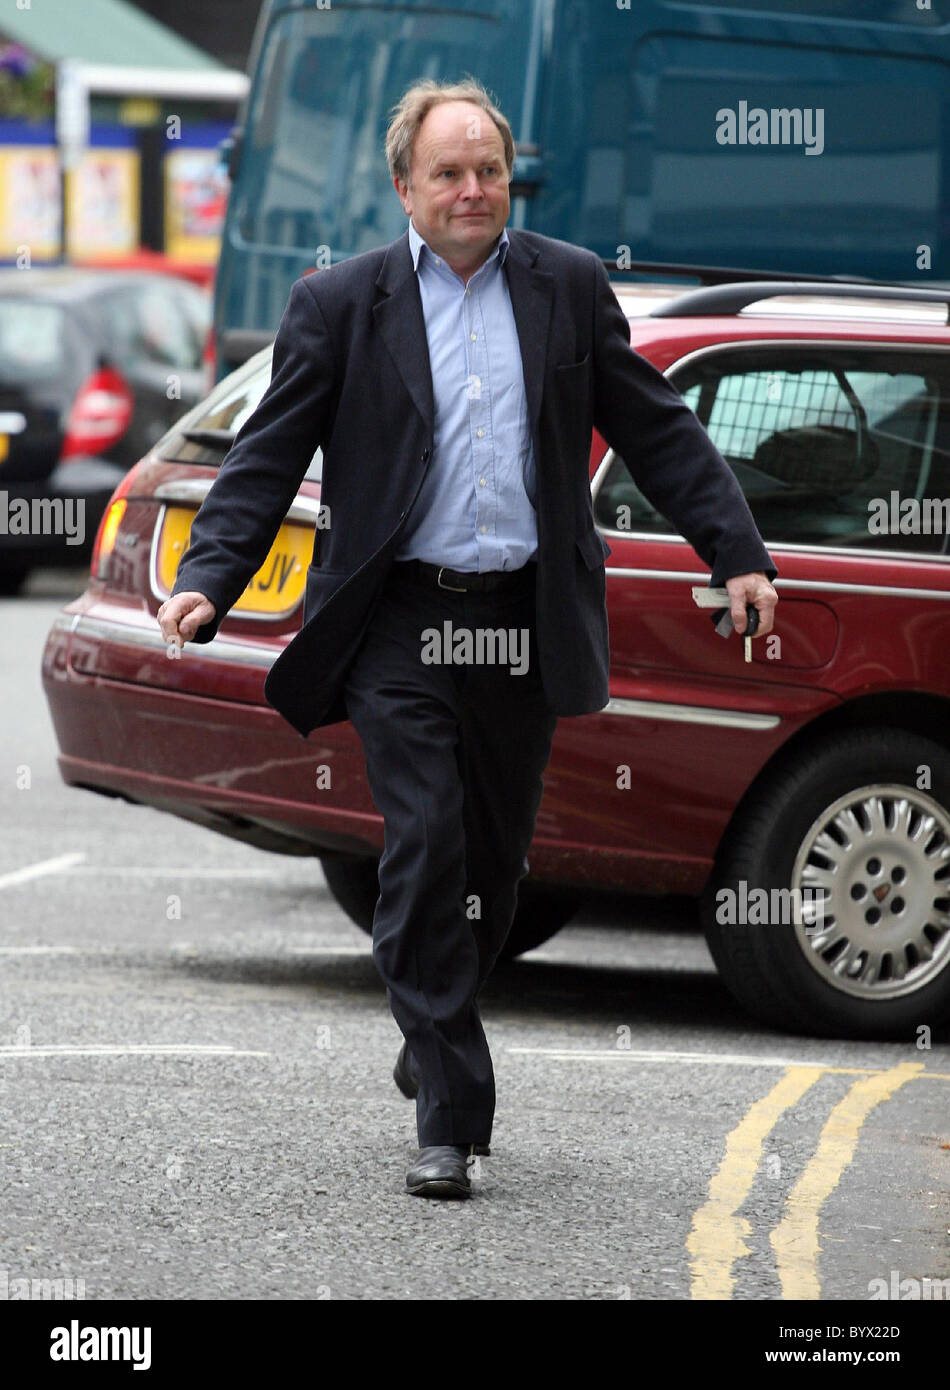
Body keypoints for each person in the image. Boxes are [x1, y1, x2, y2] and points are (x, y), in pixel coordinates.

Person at [157, 77, 778, 1200]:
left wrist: (734, 551)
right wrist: (210, 578)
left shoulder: (566, 286)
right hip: (400, 617)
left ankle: (425, 1009)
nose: (471, 189)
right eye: (447, 172)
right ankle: (452, 1112)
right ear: (405, 185)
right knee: (428, 838)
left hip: (520, 621)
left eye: (487, 169)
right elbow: (267, 454)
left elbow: (654, 424)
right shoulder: (342, 303)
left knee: (492, 861)